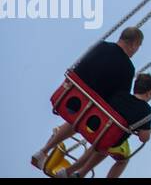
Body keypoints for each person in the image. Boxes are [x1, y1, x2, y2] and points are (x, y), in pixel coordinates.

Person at [32, 27, 143, 171]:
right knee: (105, 136)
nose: (136, 51)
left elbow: (81, 65)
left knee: (78, 118)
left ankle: (43, 151)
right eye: (138, 47)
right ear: (134, 44)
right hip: (91, 115)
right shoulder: (128, 68)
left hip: (69, 100)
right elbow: (120, 99)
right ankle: (75, 172)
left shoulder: (101, 46)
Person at [59, 74, 151, 179]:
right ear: (149, 93)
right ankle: (71, 172)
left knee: (103, 144)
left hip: (93, 127)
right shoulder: (146, 110)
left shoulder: (121, 94)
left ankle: (78, 174)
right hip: (111, 140)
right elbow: (143, 138)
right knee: (122, 159)